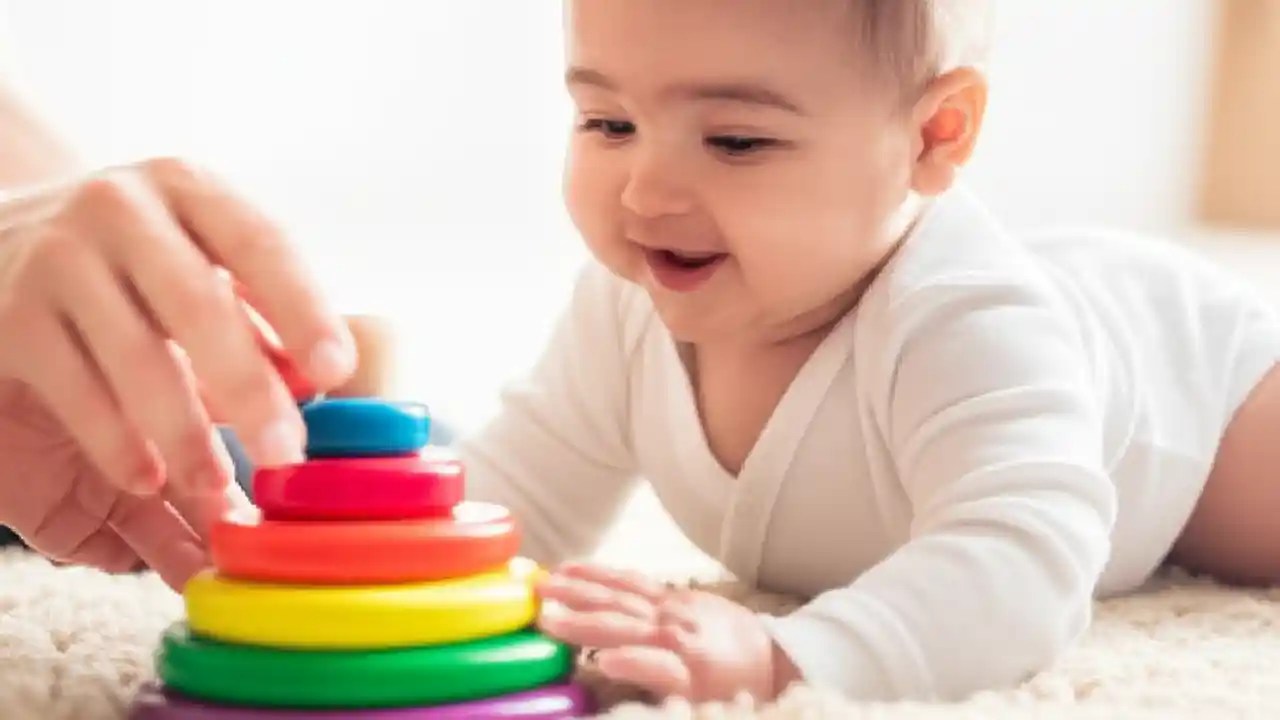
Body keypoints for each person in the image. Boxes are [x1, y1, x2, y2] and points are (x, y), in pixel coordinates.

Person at [2, 0, 1280, 709]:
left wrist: (789, 657)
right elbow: (523, 502)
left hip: (1201, 400)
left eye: (735, 143)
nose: (644, 194)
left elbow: (1022, 566)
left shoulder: (967, 322)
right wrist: (351, 555)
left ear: (935, 139)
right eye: (604, 119)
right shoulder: (624, 305)